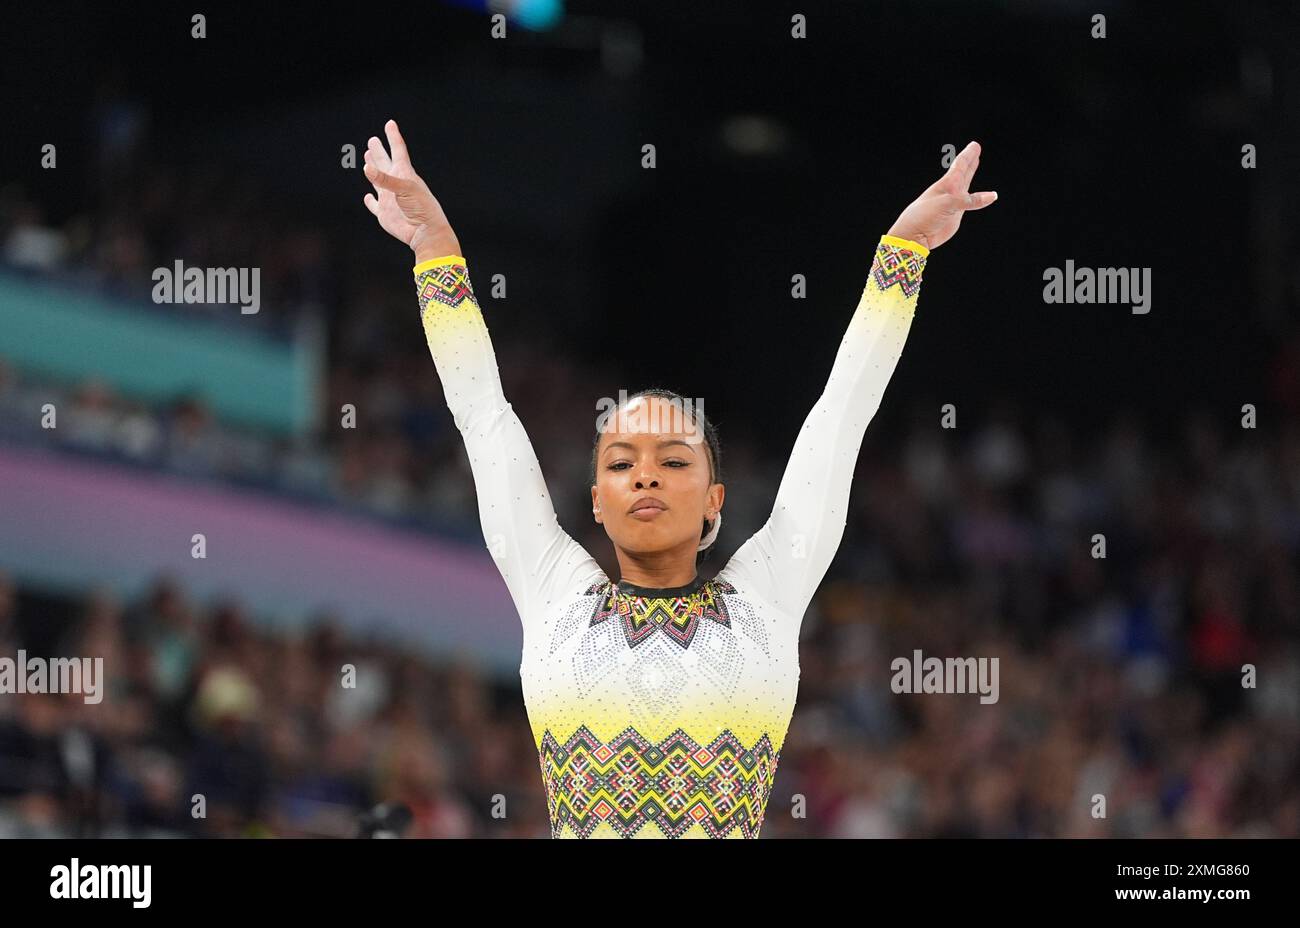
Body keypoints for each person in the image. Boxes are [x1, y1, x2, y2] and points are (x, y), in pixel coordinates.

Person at [361, 120, 996, 837]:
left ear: (715, 502)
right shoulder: (554, 595)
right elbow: (482, 412)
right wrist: (436, 253)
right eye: (622, 462)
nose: (645, 477)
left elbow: (842, 415)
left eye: (673, 460)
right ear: (596, 500)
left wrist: (901, 257)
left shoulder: (766, 600)